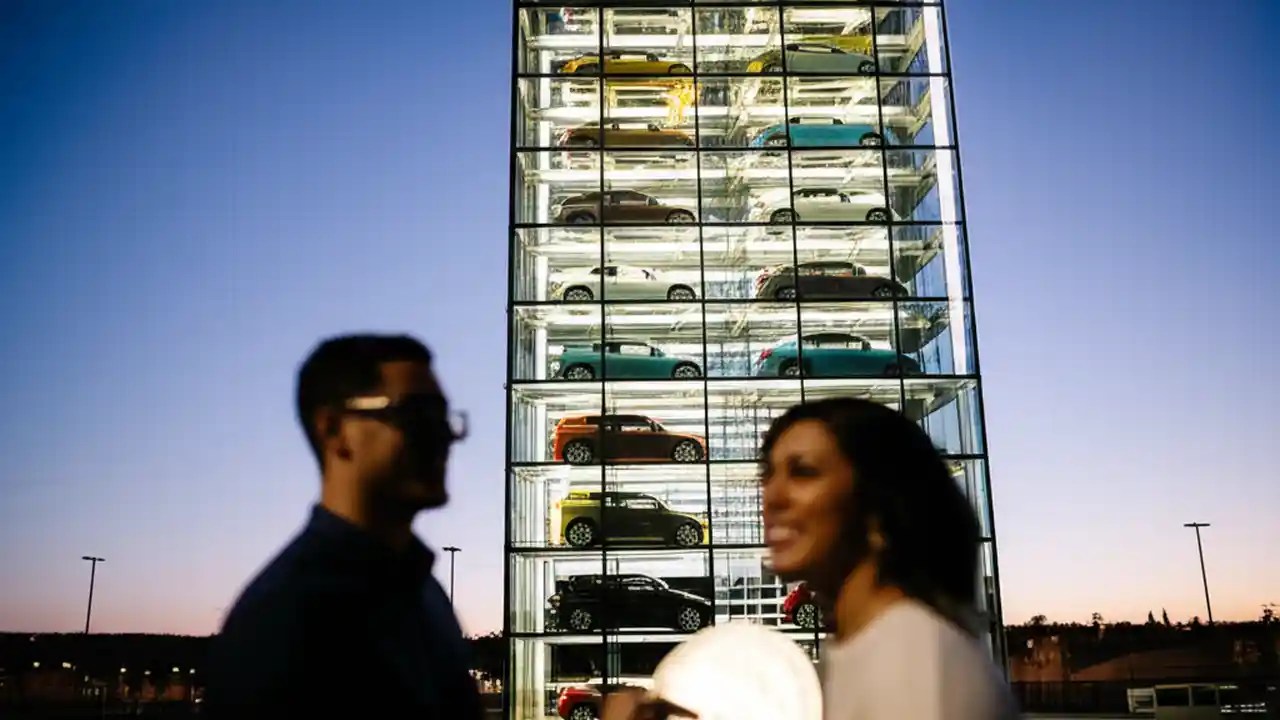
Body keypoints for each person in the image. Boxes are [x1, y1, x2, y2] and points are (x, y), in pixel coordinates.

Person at [203, 334, 482, 719]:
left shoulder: (424, 592)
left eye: (442, 419)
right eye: (417, 417)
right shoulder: (284, 624)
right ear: (335, 432)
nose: (443, 440)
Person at [759, 397, 1018, 720]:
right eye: (768, 474)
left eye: (803, 472)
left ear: (877, 508)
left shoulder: (916, 666)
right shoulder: (863, 647)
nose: (772, 496)